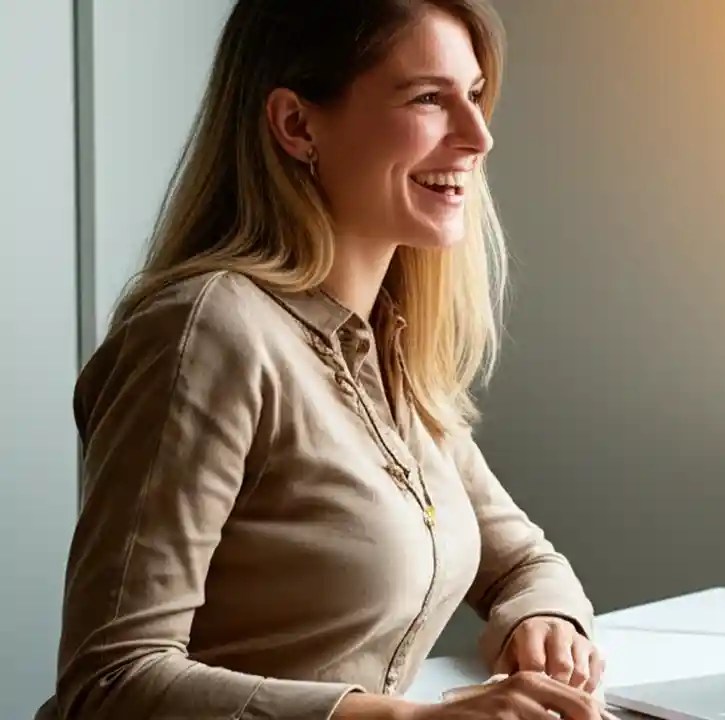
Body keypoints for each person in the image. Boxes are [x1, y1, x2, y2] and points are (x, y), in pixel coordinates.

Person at [34, 2, 608, 719]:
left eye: (475, 93)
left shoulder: (388, 349)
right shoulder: (208, 334)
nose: (478, 135)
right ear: (297, 125)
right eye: (429, 98)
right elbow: (110, 684)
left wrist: (542, 620)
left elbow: (524, 562)